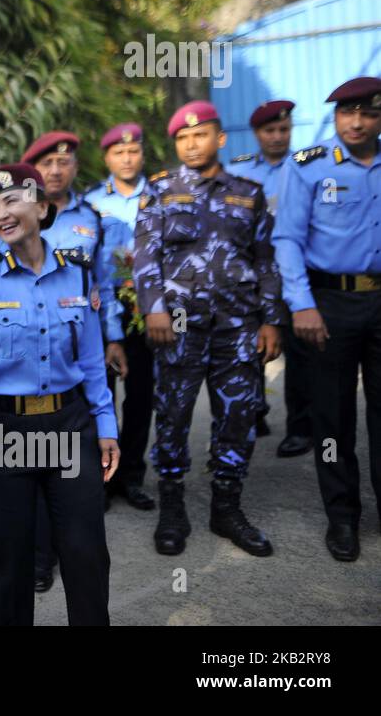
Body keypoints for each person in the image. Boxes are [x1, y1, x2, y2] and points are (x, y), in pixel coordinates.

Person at [0, 163, 119, 626]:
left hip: (70, 424)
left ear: (42, 208)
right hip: (5, 430)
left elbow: (90, 361)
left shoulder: (77, 274)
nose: (1, 213)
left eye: (12, 201)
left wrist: (106, 426)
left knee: (86, 550)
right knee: (10, 554)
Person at [134, 101, 284, 558]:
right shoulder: (160, 191)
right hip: (177, 328)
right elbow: (145, 255)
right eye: (182, 138)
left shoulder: (248, 193)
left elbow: (265, 261)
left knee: (238, 417)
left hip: (238, 328)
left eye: (200, 136)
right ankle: (172, 507)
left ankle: (227, 506)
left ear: (219, 138)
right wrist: (154, 309)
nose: (191, 144)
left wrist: (272, 320)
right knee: (174, 416)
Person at [271, 76, 381, 562]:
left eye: (369, 113)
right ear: (336, 116)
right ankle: (342, 516)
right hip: (329, 305)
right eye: (346, 112)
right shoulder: (309, 168)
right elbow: (287, 240)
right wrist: (302, 305)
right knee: (332, 421)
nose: (356, 122)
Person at [228, 100, 312, 455]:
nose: (277, 137)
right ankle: (254, 411)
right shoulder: (239, 173)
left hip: (296, 275)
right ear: (257, 134)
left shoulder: (307, 168)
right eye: (269, 130)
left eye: (284, 130)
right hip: (254, 276)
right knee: (250, 347)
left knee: (301, 352)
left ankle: (301, 427)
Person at [84, 122, 156, 511]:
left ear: (142, 153)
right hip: (103, 308)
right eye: (118, 153)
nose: (127, 158)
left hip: (149, 308)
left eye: (133, 151)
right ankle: (103, 477)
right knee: (104, 395)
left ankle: (132, 475)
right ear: (107, 158)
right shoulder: (92, 202)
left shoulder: (162, 194)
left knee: (143, 394)